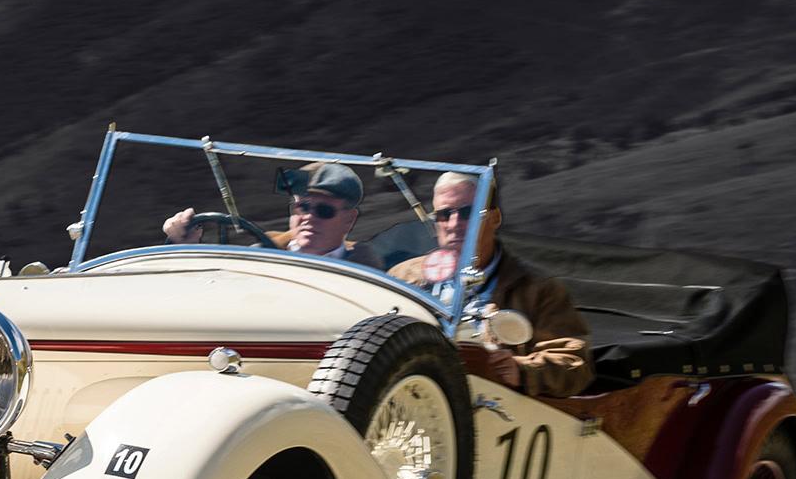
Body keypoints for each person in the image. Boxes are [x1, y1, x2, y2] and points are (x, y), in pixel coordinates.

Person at [388, 172, 594, 397]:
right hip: (405, 397)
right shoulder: (402, 277)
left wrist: (521, 369)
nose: (454, 224)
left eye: (467, 213)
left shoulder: (538, 289)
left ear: (495, 218)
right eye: (444, 214)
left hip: (490, 404)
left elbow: (574, 362)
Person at [162, 162, 383, 269]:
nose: (309, 217)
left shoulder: (365, 270)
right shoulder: (261, 253)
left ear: (349, 220)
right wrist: (184, 246)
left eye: (324, 211)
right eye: (302, 207)